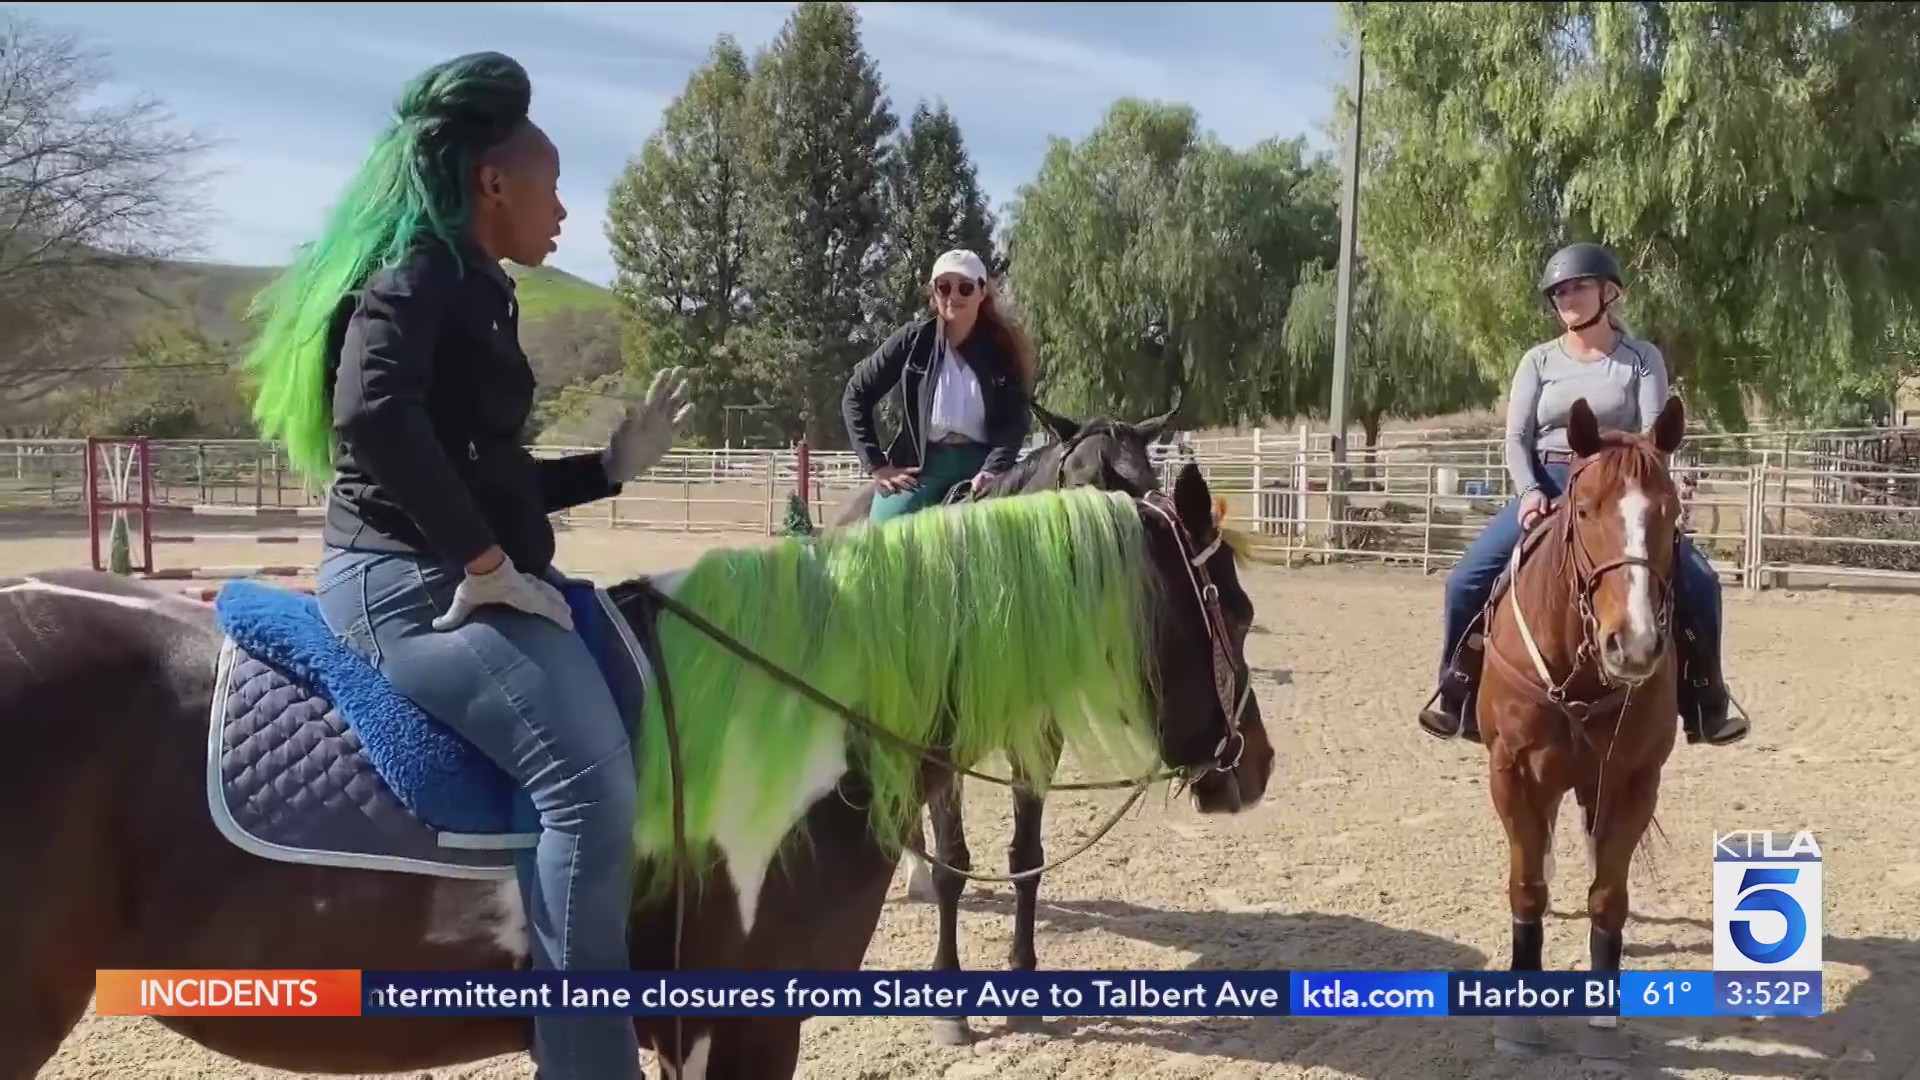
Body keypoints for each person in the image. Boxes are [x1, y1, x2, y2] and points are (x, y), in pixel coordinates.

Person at [241, 51, 690, 1080]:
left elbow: (476, 463)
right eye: (555, 182)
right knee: (587, 788)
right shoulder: (422, 269)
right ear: (495, 183)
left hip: (446, 566)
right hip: (403, 585)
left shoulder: (475, 284)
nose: (565, 209)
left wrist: (607, 469)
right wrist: (484, 562)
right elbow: (373, 413)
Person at [1417, 242, 1746, 749]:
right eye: (1560, 291)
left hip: (1619, 492)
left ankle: (1707, 703)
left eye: (1578, 286)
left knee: (1701, 583)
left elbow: (1655, 436)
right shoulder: (1538, 361)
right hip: (1548, 483)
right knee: (1464, 581)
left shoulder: (1640, 360)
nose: (1568, 297)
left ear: (1607, 293)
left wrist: (1655, 493)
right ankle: (1455, 696)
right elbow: (1516, 437)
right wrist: (1528, 492)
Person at [841, 249, 1036, 522]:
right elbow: (856, 394)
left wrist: (994, 468)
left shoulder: (1001, 351)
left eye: (965, 288)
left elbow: (1015, 420)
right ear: (934, 294)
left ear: (982, 292)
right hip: (924, 464)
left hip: (981, 461)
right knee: (883, 535)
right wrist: (876, 464)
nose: (953, 296)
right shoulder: (913, 340)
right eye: (943, 287)